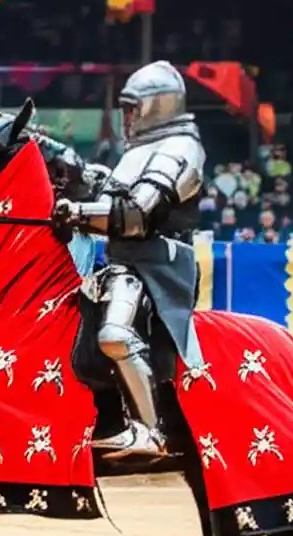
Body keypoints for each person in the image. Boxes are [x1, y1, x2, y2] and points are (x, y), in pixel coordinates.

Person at [54, 60, 207, 457]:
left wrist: (74, 213)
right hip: (123, 263)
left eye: (131, 108)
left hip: (156, 264)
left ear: (155, 107)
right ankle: (107, 420)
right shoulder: (139, 150)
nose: (126, 117)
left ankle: (153, 430)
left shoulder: (180, 147)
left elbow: (136, 216)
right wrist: (69, 168)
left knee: (115, 336)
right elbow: (109, 195)